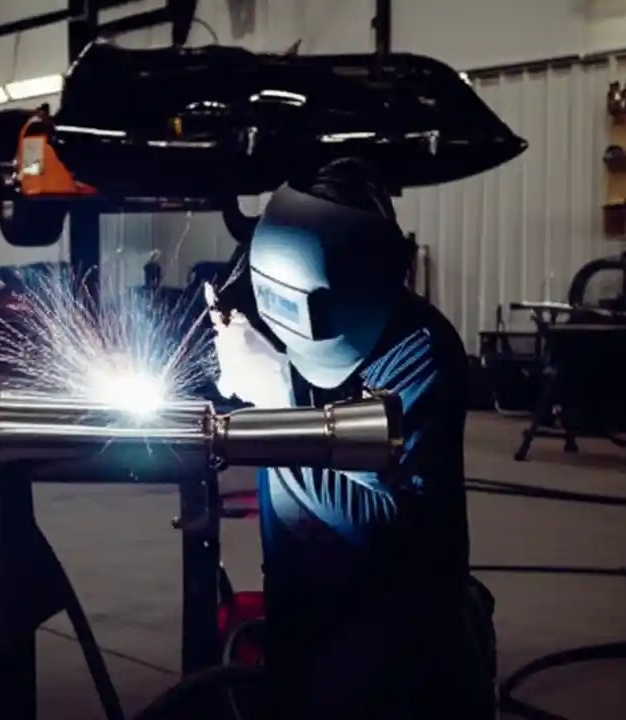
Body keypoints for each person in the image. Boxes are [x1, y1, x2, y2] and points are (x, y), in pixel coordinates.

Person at [208, 158, 497, 719]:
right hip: (299, 610)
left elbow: (393, 529)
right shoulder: (274, 312)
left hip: (398, 641)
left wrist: (277, 404)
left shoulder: (421, 352)